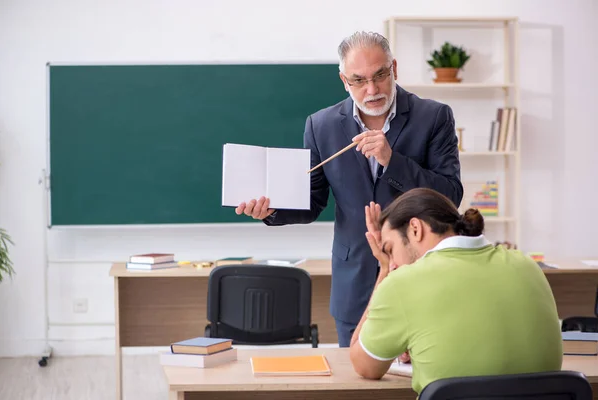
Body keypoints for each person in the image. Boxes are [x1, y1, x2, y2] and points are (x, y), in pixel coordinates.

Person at [235, 31, 464, 347]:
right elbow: (313, 201)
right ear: (344, 80)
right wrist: (272, 210)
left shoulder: (434, 116)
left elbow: (450, 195)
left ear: (394, 67)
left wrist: (391, 160)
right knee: (357, 384)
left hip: (421, 278)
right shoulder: (322, 125)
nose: (372, 90)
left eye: (380, 75)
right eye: (359, 80)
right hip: (354, 285)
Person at [349, 188, 563, 395]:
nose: (393, 262)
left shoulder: (401, 283)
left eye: (389, 249)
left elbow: (364, 365)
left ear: (415, 228)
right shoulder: (527, 266)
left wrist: (384, 271)